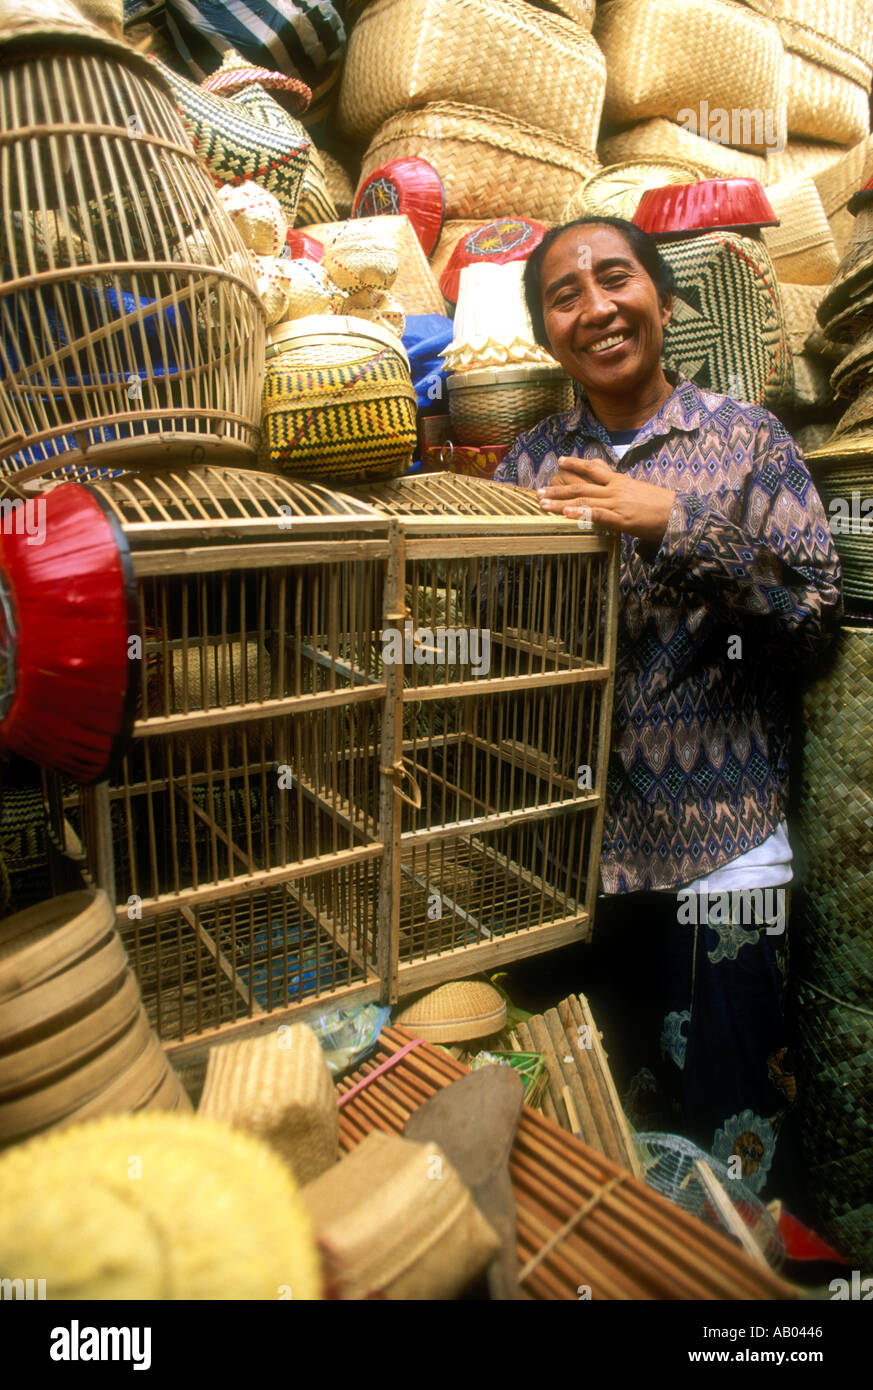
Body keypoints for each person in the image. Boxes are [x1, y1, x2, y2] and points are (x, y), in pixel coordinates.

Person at [494, 216, 842, 1194]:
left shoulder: (747, 442)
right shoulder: (525, 471)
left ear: (663, 298)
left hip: (724, 850)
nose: (596, 307)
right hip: (579, 868)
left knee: (738, 1139)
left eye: (616, 279)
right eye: (565, 295)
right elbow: (494, 658)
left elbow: (812, 625)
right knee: (605, 1146)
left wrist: (678, 523)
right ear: (543, 332)